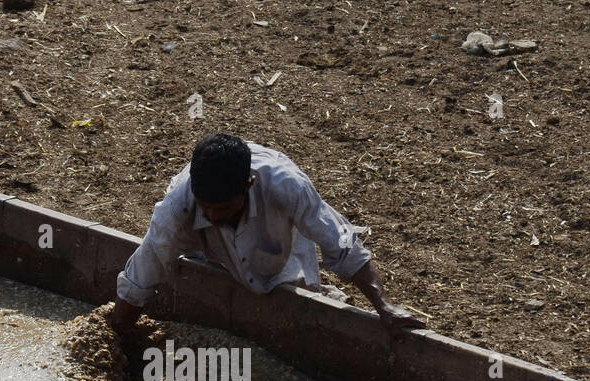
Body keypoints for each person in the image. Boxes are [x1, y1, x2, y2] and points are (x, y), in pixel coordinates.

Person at [108, 132, 424, 334]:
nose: (216, 216)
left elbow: (340, 241)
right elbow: (147, 265)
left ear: (248, 185)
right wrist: (116, 330)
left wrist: (384, 306)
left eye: (225, 207)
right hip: (205, 247)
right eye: (209, 208)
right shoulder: (179, 205)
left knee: (286, 291)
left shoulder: (286, 186)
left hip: (273, 244)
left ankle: (318, 294)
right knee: (202, 271)